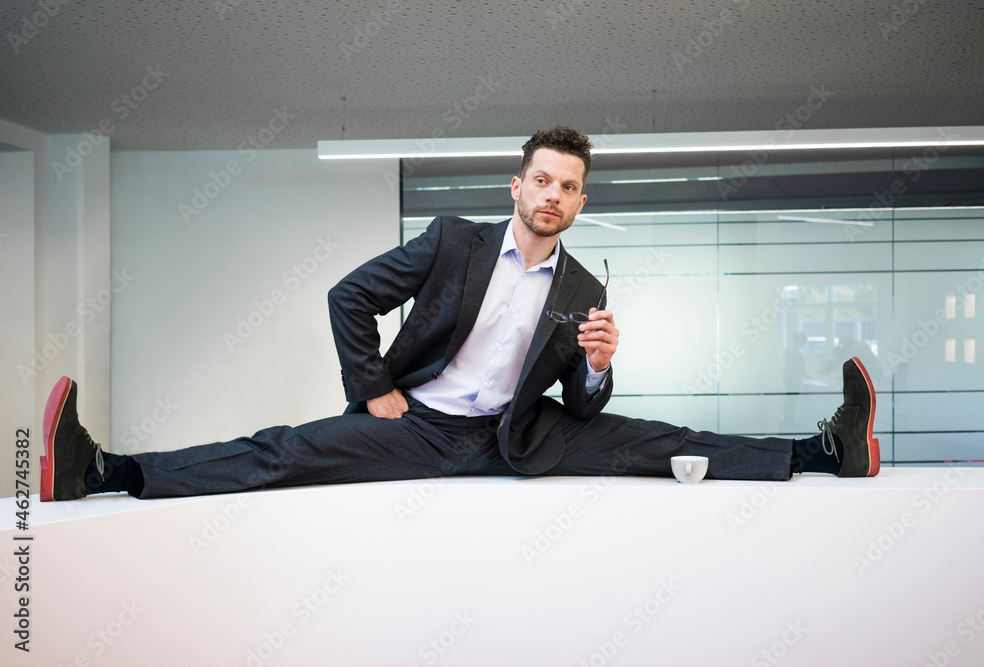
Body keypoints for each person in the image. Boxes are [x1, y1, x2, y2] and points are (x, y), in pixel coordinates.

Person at [40, 126, 879, 502]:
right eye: (541, 180)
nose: (553, 195)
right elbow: (350, 297)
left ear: (583, 201)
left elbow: (585, 408)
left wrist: (594, 366)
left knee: (657, 441)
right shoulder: (451, 243)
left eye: (570, 186)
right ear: (517, 186)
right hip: (419, 426)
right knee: (283, 453)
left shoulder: (585, 285)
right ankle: (106, 471)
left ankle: (824, 450)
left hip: (520, 434)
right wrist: (373, 390)